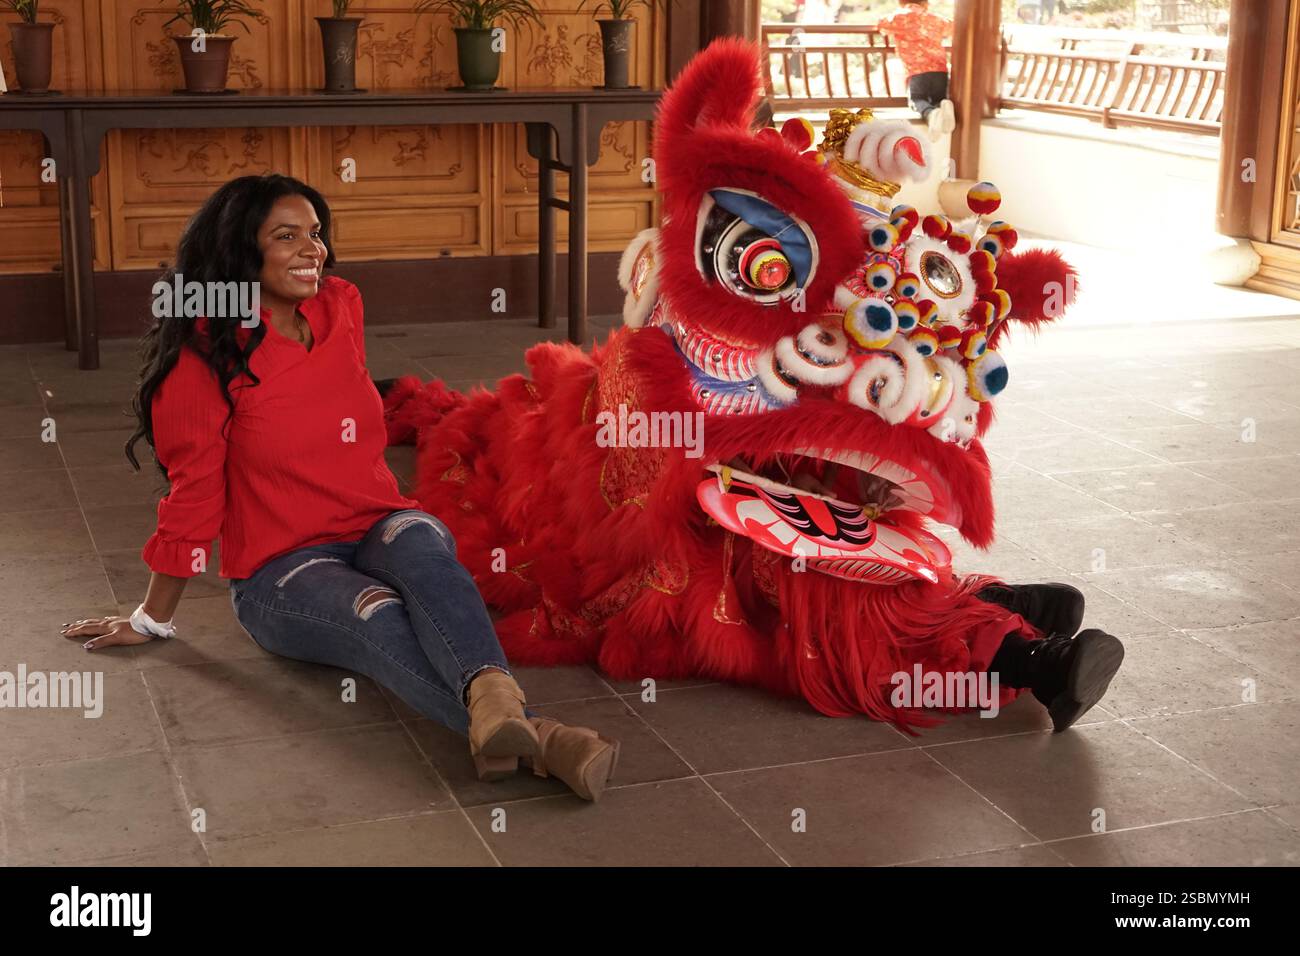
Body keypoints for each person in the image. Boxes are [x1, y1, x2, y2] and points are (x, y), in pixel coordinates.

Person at [59, 174, 619, 802]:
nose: (312, 250)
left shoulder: (339, 305)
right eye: (287, 236)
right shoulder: (201, 362)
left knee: (429, 560)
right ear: (241, 253)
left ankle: (498, 711)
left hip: (377, 519)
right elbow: (193, 498)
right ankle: (542, 737)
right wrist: (152, 618)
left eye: (316, 234)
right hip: (282, 567)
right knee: (379, 615)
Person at [876, 0, 956, 142]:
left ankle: (931, 115)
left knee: (917, 99)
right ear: (925, 3)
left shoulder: (900, 17)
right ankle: (943, 106)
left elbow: (881, 25)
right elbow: (952, 27)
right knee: (937, 99)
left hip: (917, 70)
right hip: (940, 69)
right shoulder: (934, 18)